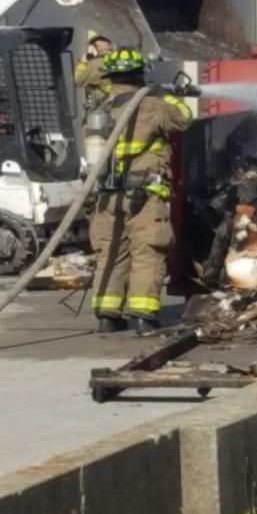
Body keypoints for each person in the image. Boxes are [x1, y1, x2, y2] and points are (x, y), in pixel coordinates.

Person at [89, 46, 194, 334]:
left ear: (111, 76)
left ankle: (107, 316)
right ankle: (142, 315)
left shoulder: (99, 108)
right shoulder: (152, 105)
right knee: (147, 251)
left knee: (112, 252)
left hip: (107, 196)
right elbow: (184, 118)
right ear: (140, 75)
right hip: (144, 194)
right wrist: (168, 94)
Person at [73, 33, 114, 110]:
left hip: (105, 108)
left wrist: (82, 63)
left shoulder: (96, 63)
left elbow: (78, 80)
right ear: (109, 43)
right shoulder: (121, 58)